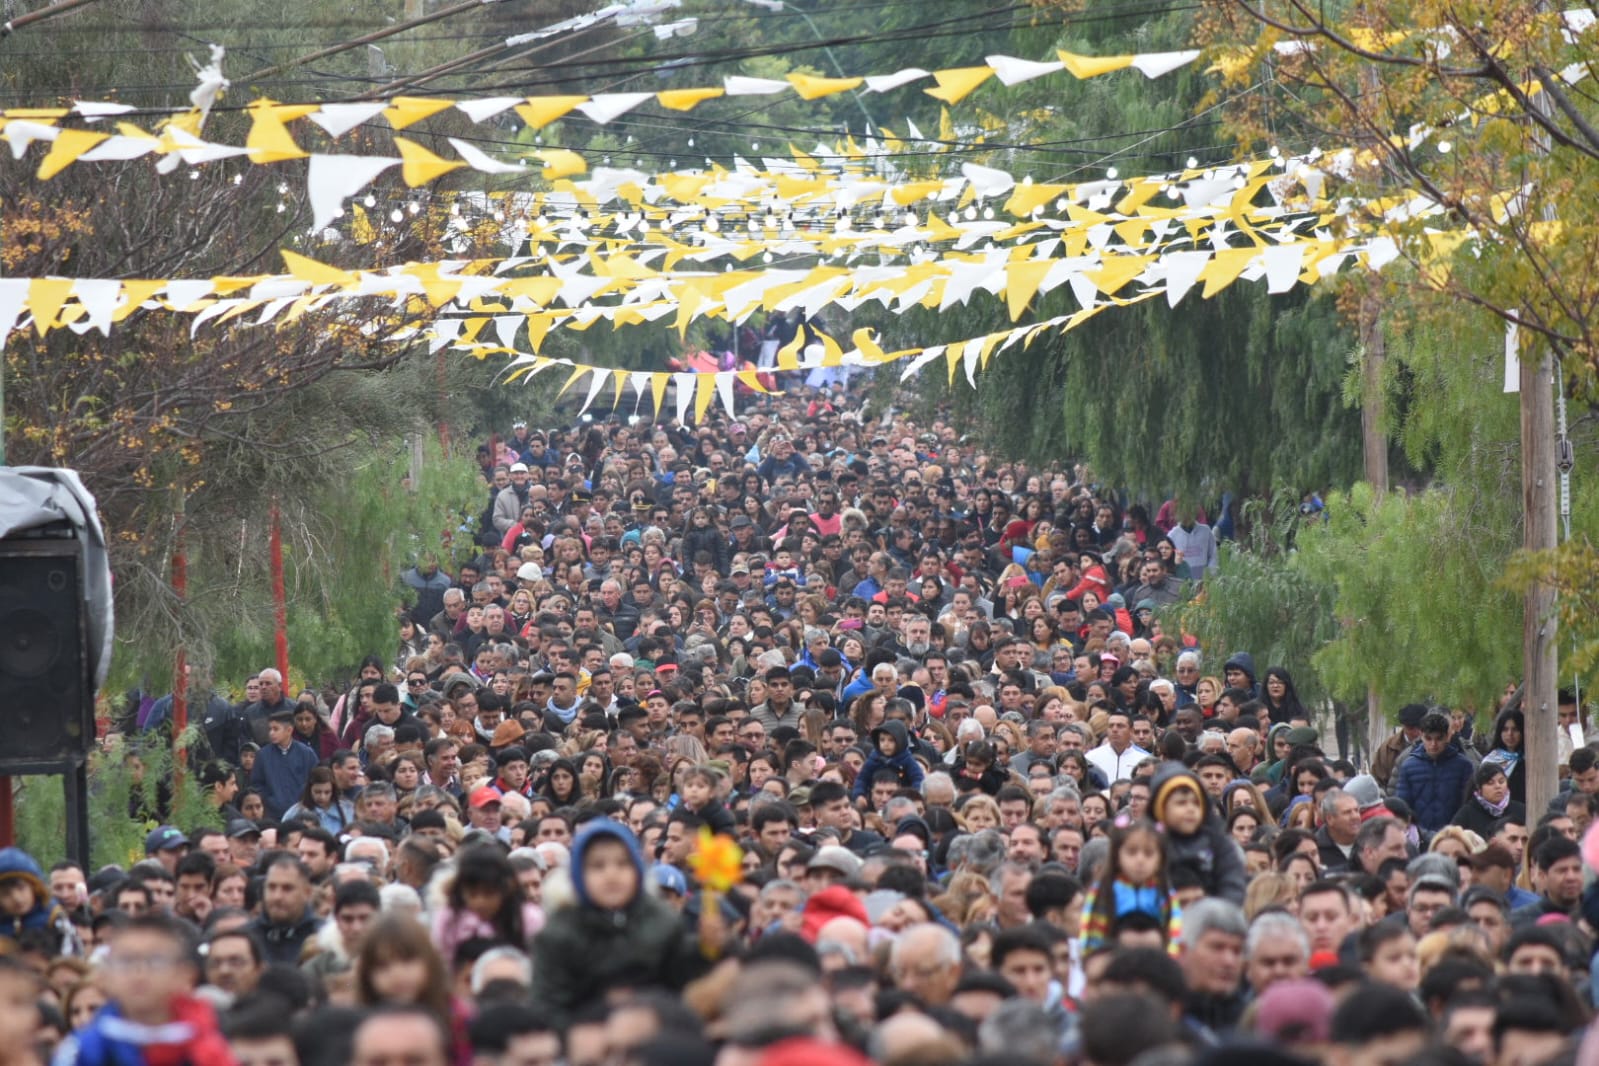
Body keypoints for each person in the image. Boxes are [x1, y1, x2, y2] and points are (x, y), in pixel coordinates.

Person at [528, 819, 710, 1029]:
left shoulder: (663, 922)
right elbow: (546, 1006)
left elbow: (682, 991)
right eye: (598, 866)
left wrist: (711, 949)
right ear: (579, 875)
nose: (611, 874)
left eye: (622, 864)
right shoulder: (558, 933)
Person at [64, 915, 232, 1066]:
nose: (140, 973)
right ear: (106, 976)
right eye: (126, 961)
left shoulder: (212, 1049)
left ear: (185, 975)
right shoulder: (81, 1050)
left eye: (156, 961)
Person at [1079, 818, 1181, 956]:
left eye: (1149, 853)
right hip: (1113, 963)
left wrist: (1171, 961)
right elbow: (1091, 932)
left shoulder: (1164, 892)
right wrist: (1092, 961)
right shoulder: (1104, 889)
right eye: (1131, 852)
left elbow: (1174, 933)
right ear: (1117, 855)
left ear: (1160, 860)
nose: (1140, 860)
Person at [1148, 765, 1247, 904]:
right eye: (1181, 803)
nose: (1190, 809)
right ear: (1160, 807)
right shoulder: (1148, 844)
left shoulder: (1218, 843)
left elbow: (1233, 888)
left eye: (1196, 803)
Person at [1393, 711, 1475, 832]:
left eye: (1438, 738)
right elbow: (1402, 807)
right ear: (1421, 735)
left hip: (1454, 835)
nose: (1433, 744)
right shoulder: (1408, 766)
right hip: (1419, 837)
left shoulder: (1463, 765)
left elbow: (1468, 805)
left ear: (1447, 736)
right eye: (1428, 738)